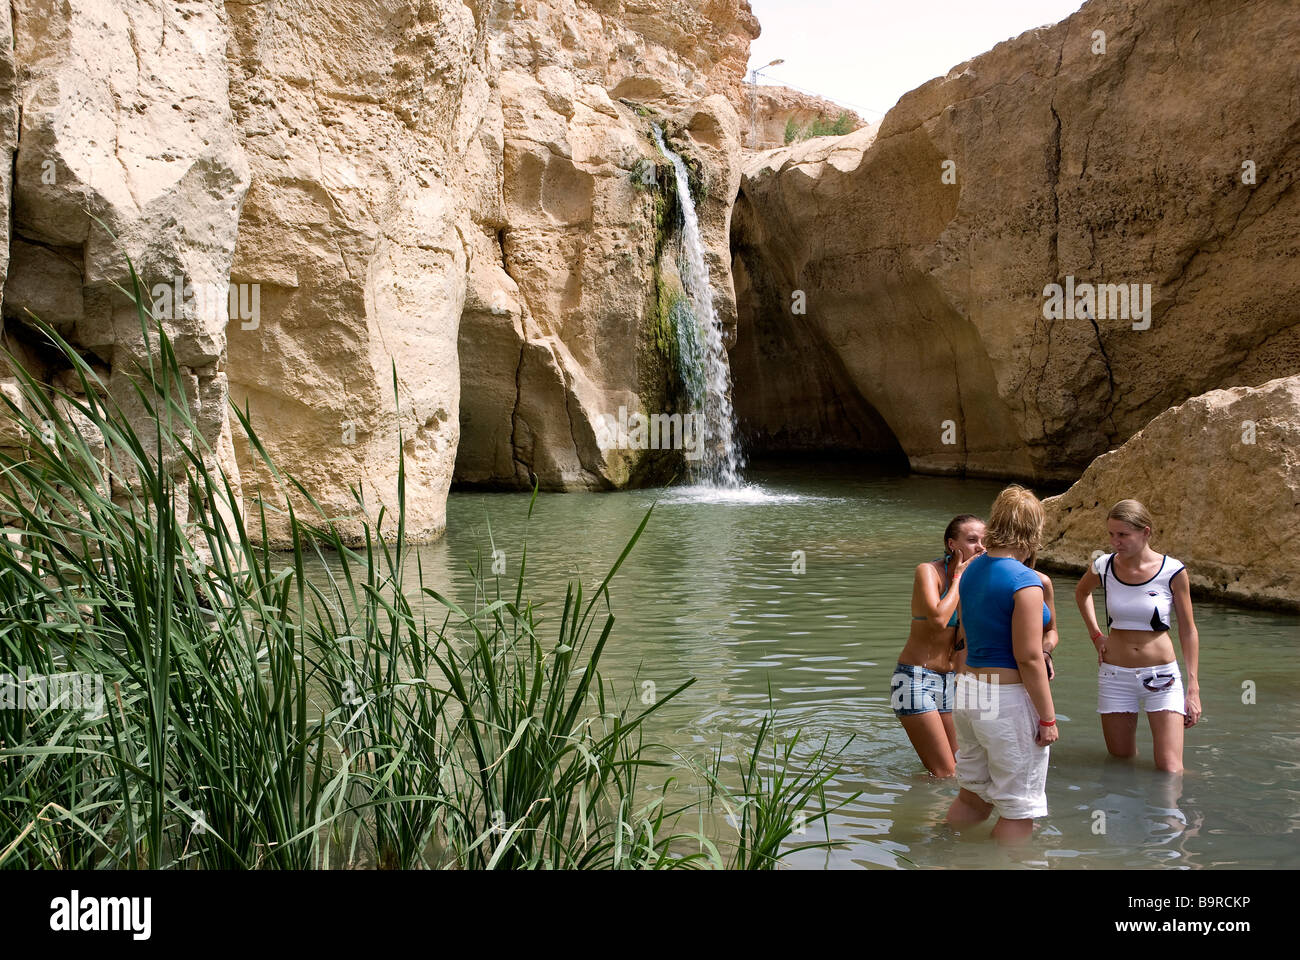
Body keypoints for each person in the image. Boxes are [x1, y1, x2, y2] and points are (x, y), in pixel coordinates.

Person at [945, 485, 1057, 845]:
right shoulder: (1025, 580)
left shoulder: (973, 568)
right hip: (1006, 697)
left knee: (973, 795)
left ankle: (940, 855)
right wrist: (1048, 718)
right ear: (1033, 530)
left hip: (970, 691)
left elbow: (966, 629)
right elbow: (1027, 657)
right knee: (1019, 809)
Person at [1073, 499, 1201, 773]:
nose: (1115, 542)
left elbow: (1188, 630)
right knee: (1121, 762)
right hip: (1114, 676)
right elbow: (1081, 593)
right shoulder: (1103, 566)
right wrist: (1096, 636)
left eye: (1123, 535)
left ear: (1145, 532)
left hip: (1162, 676)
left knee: (1169, 768)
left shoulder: (1173, 571)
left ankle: (1179, 812)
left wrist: (1193, 687)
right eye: (1111, 534)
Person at [891, 515, 986, 777]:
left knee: (961, 769)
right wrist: (958, 577)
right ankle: (931, 816)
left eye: (984, 541)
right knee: (944, 772)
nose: (980, 546)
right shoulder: (927, 571)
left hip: (950, 681)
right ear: (951, 544)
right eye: (972, 540)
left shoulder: (976, 581)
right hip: (913, 679)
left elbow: (967, 640)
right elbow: (938, 620)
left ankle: (928, 806)